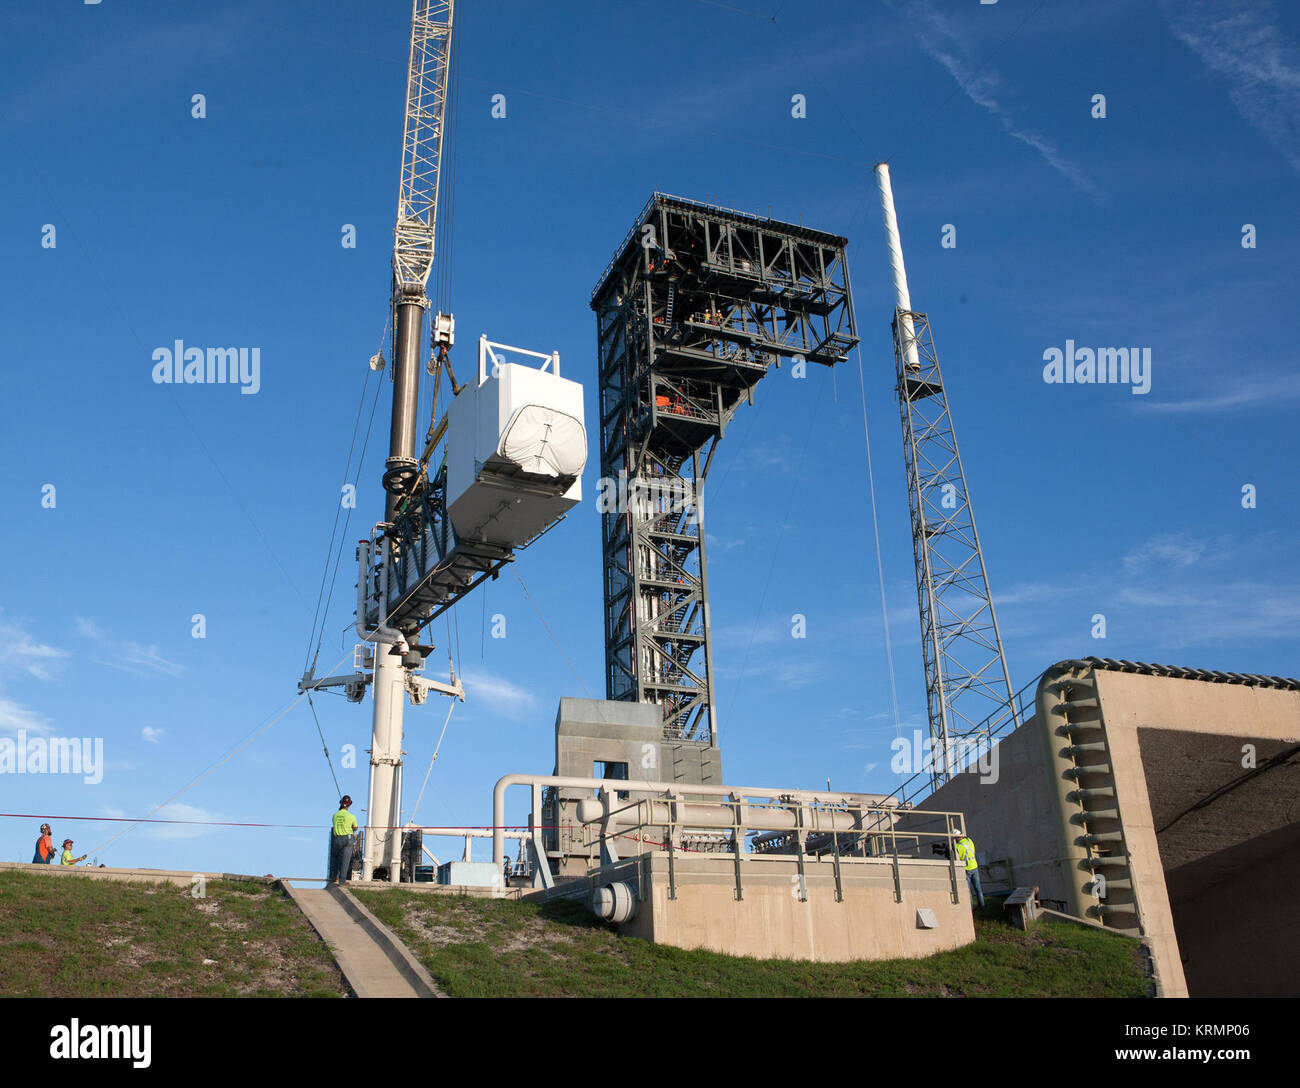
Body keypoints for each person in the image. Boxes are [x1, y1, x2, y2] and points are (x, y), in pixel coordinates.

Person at [330, 795, 359, 885]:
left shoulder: (335, 815)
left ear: (341, 803)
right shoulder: (351, 816)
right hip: (347, 838)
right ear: (349, 804)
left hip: (336, 838)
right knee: (345, 860)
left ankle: (334, 877)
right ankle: (342, 881)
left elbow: (335, 825)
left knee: (335, 858)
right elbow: (355, 827)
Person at [954, 830, 984, 909]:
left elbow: (957, 858)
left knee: (968, 890)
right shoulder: (969, 840)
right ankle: (982, 906)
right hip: (974, 866)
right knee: (978, 889)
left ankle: (971, 908)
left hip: (966, 869)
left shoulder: (957, 847)